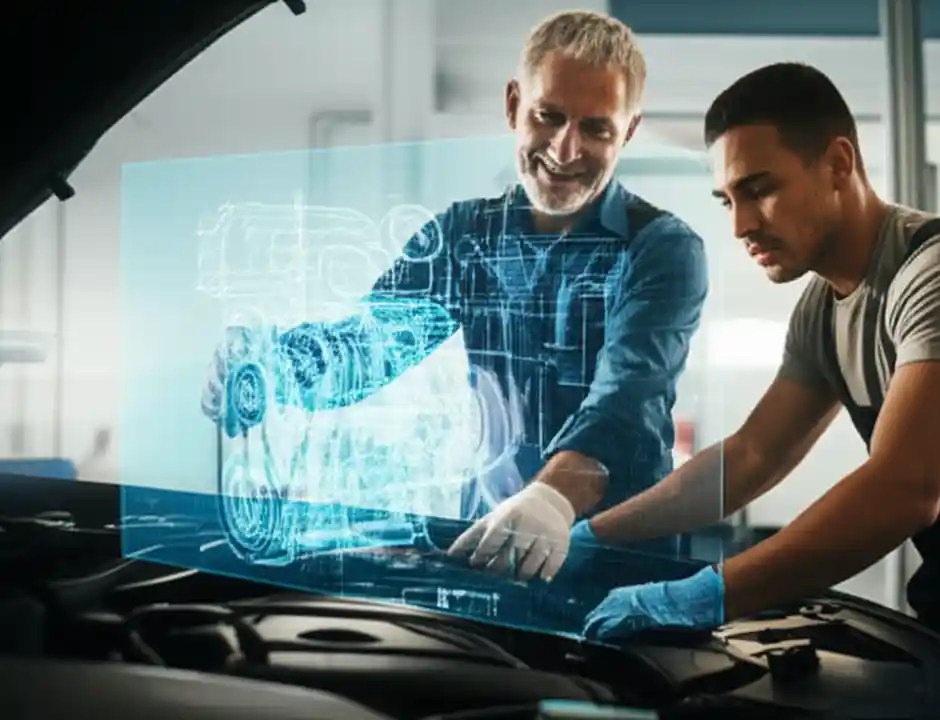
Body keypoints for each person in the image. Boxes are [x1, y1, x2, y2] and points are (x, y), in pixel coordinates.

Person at [564, 63, 940, 717]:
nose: (740, 226)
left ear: (838, 162)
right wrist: (590, 536)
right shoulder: (824, 308)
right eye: (727, 199)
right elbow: (752, 457)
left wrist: (706, 595)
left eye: (759, 189)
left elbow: (903, 489)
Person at [201, 10, 708, 582]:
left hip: (618, 568)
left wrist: (551, 500)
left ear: (629, 131)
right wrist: (271, 366)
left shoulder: (662, 251)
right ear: (514, 105)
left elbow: (624, 405)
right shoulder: (462, 238)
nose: (567, 151)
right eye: (549, 117)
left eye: (597, 129)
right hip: (489, 553)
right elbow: (367, 346)